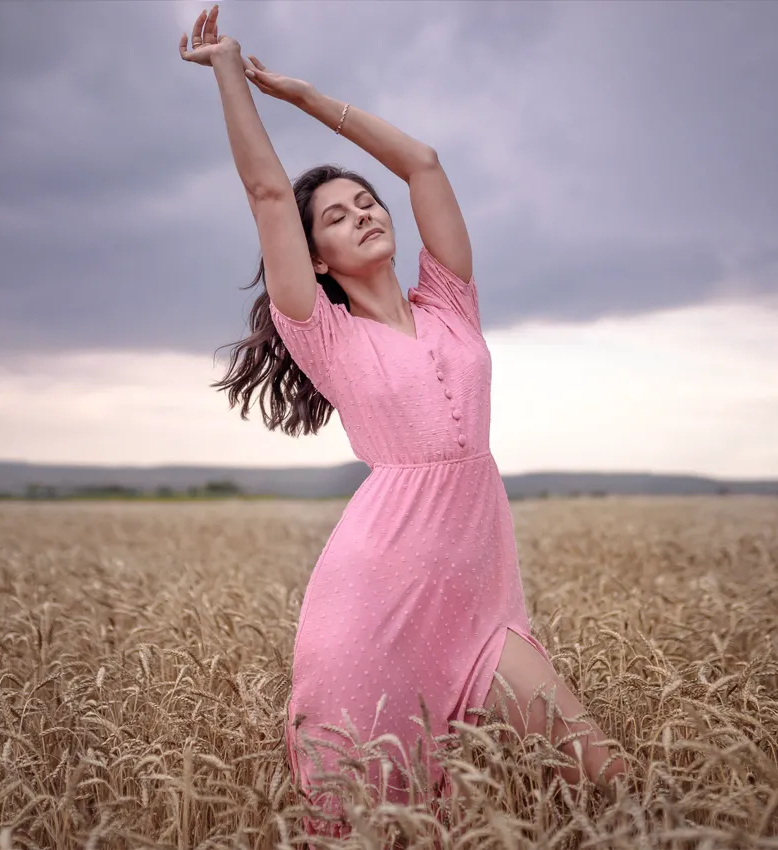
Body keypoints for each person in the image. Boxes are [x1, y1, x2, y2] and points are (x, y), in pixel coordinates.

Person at [180, 4, 627, 837]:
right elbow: (269, 191)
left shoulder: (451, 301)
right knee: (374, 814)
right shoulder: (322, 333)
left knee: (604, 769)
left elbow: (422, 164)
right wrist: (232, 72)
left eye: (366, 202)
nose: (365, 214)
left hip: (478, 581)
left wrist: (307, 96)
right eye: (340, 218)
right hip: (377, 591)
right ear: (317, 260)